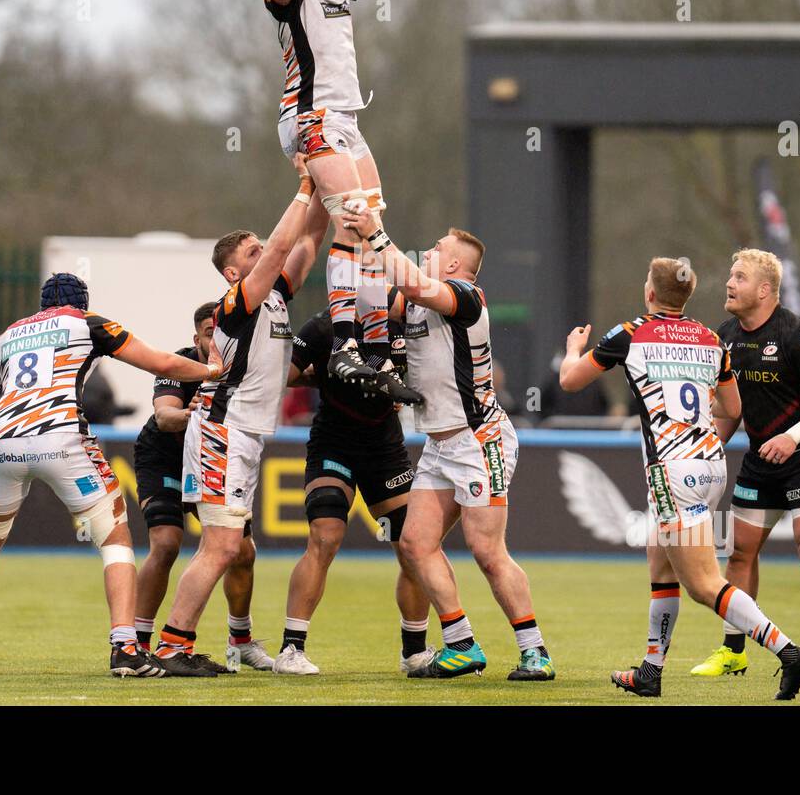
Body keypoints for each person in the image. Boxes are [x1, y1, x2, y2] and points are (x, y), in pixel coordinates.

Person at [0, 273, 221, 678]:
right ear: (81, 303)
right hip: (62, 439)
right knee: (114, 538)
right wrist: (210, 372)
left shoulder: (6, 338)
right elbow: (161, 362)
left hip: (2, 443)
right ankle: (125, 648)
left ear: (40, 304)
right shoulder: (88, 323)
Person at [560, 257, 800, 700]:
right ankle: (651, 670)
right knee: (660, 562)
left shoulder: (630, 333)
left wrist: (572, 348)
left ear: (650, 293)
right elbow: (733, 409)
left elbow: (569, 381)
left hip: (672, 470)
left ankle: (790, 653)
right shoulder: (711, 339)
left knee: (703, 584)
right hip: (711, 463)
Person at [342, 206, 553, 681]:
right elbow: (372, 301)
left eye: (438, 249)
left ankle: (535, 651)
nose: (430, 251)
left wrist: (375, 233)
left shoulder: (465, 295)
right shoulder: (414, 298)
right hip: (439, 445)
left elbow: (413, 283)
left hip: (480, 440)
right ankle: (462, 644)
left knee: (486, 550)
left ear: (455, 266)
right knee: (415, 544)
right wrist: (348, 235)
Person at [154, 160, 329, 677]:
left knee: (234, 548)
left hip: (244, 437)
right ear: (233, 273)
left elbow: (310, 239)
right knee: (222, 545)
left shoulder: (273, 295)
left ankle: (224, 641)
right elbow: (280, 248)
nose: (265, 254)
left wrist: (326, 182)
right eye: (251, 254)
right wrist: (302, 187)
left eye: (260, 249)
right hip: (222, 434)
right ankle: (171, 646)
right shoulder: (238, 303)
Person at [265, 0, 417, 388]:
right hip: (310, 117)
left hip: (346, 120)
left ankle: (377, 348)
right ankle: (344, 344)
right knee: (352, 220)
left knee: (370, 224)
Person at [688, 249, 800, 683]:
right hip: (761, 459)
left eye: (738, 276)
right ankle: (733, 651)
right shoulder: (726, 337)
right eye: (729, 274)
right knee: (741, 551)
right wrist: (707, 448)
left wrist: (793, 435)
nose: (728, 282)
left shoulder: (796, 335)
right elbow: (728, 409)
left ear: (764, 290)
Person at [273, 288, 436, 676]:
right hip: (334, 443)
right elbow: (284, 376)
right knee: (325, 537)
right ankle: (290, 650)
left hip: (386, 450)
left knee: (413, 548)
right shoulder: (320, 328)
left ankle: (413, 653)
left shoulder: (405, 329)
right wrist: (325, 376)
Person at [132, 301, 273, 672]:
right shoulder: (180, 365)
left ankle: (240, 641)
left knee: (242, 553)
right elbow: (164, 418)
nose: (216, 341)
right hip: (165, 458)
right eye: (209, 334)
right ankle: (137, 643)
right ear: (197, 339)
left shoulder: (239, 368)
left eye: (221, 333)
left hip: (213, 459)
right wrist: (190, 413)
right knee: (166, 544)